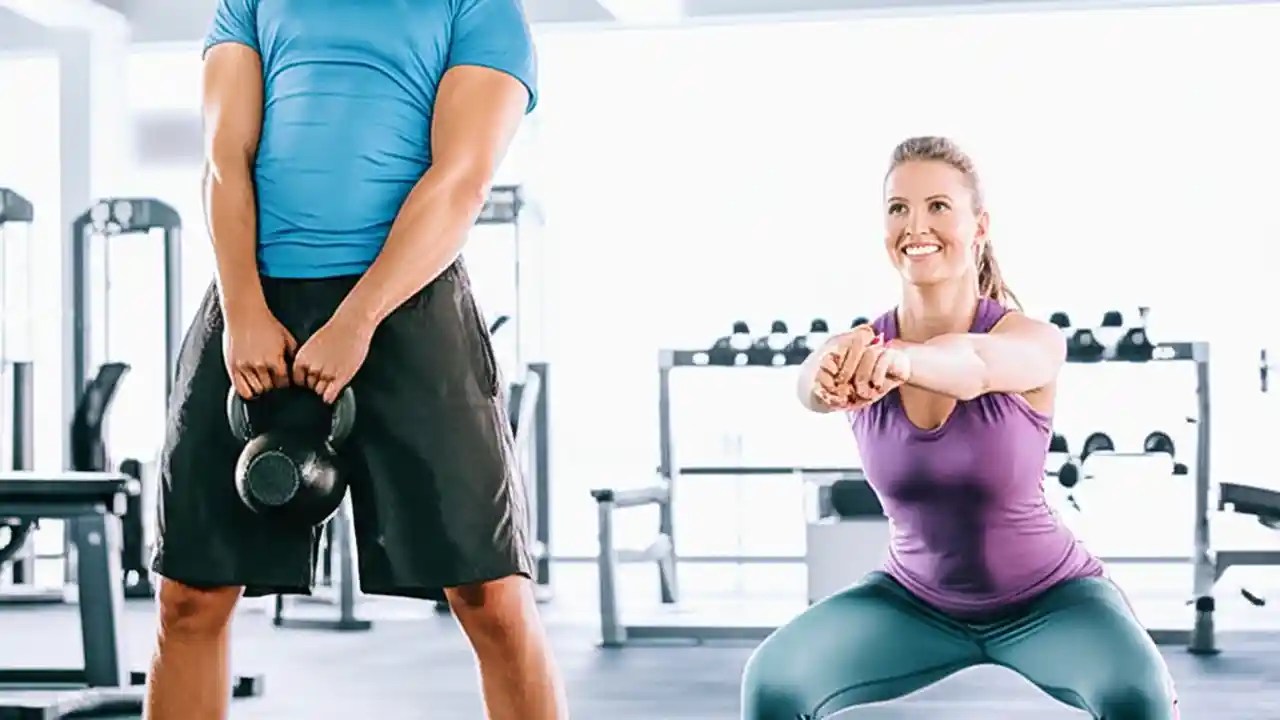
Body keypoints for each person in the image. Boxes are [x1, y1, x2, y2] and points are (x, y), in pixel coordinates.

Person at [144, 1, 569, 719]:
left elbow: (461, 178)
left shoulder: (481, 7)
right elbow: (224, 159)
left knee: (490, 596)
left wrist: (358, 319)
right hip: (252, 305)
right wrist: (243, 309)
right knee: (189, 595)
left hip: (410, 303)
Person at [739, 136, 1179, 720]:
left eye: (939, 206)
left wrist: (900, 361)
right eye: (899, 208)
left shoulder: (1031, 340)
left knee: (1138, 695)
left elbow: (973, 364)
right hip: (914, 601)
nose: (915, 225)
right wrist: (822, 374)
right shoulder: (860, 348)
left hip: (1050, 600)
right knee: (772, 683)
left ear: (980, 226)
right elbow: (811, 387)